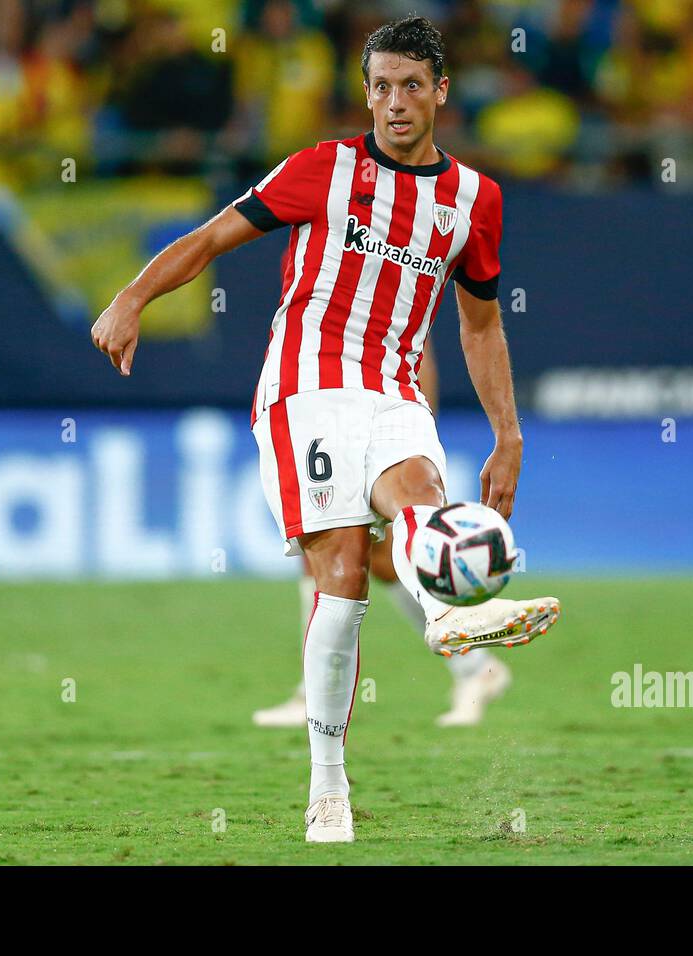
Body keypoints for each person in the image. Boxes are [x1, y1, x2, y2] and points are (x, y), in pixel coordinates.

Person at [90, 15, 561, 844]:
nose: (394, 102)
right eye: (380, 86)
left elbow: (481, 327)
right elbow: (210, 239)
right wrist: (132, 298)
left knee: (418, 496)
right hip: (306, 387)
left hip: (393, 386)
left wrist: (509, 434)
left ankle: (449, 615)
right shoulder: (323, 169)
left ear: (441, 92)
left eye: (411, 85)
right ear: (367, 92)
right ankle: (329, 787)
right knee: (342, 572)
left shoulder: (473, 200)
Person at [250, 341, 515, 731]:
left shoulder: (386, 294)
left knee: (333, 550)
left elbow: (416, 347)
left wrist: (415, 432)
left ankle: (316, 693)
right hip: (334, 407)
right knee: (361, 556)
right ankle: (476, 665)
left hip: (375, 415)